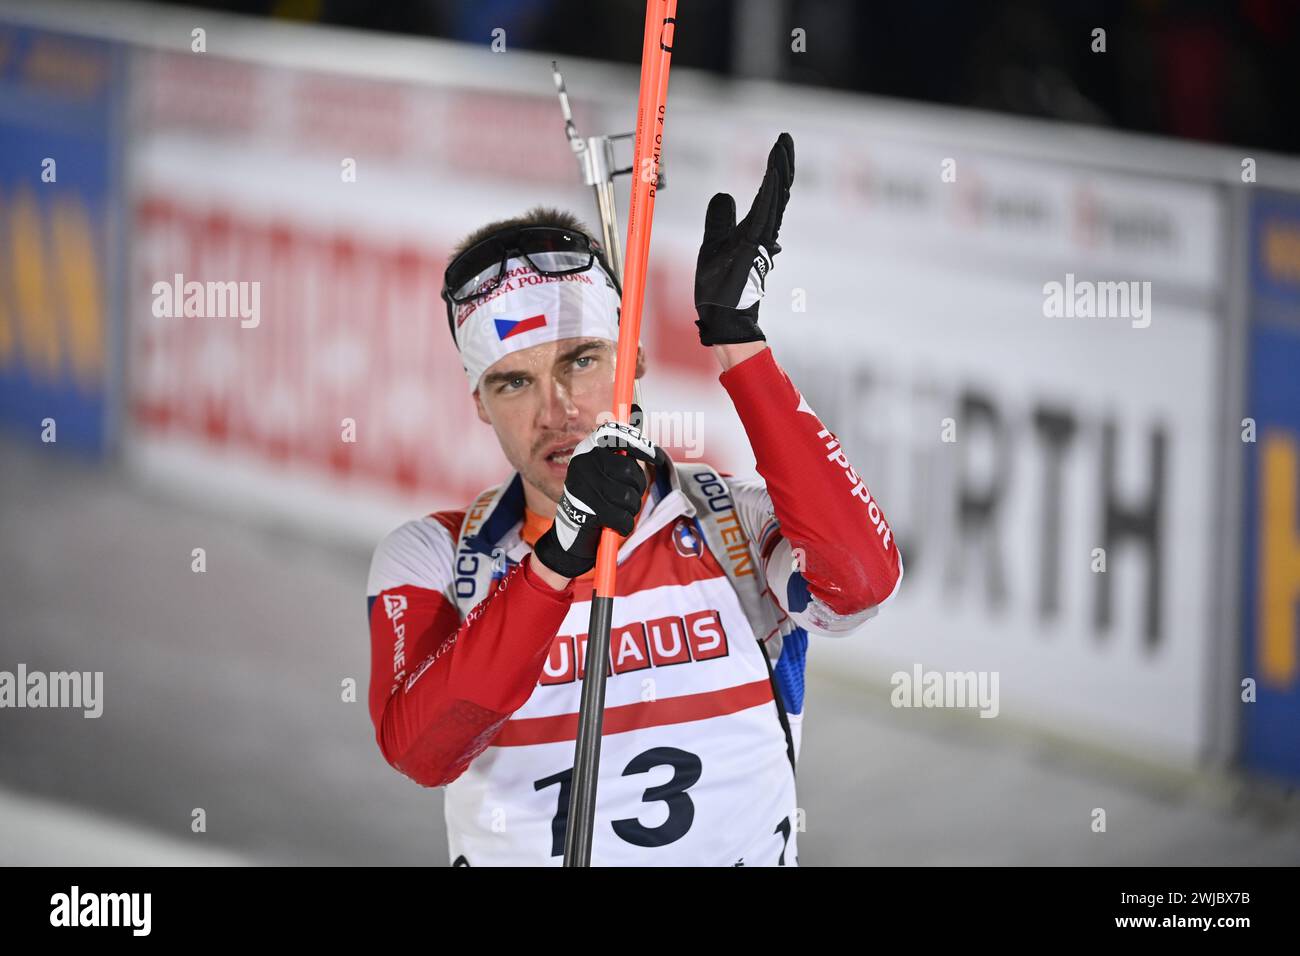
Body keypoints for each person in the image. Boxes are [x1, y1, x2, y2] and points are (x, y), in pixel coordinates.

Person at [366, 133, 902, 866]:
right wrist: (557, 560)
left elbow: (860, 586)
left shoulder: (730, 526)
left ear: (634, 359)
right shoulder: (433, 555)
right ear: (479, 405)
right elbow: (422, 751)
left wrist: (740, 344)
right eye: (512, 383)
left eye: (581, 361)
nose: (554, 410)